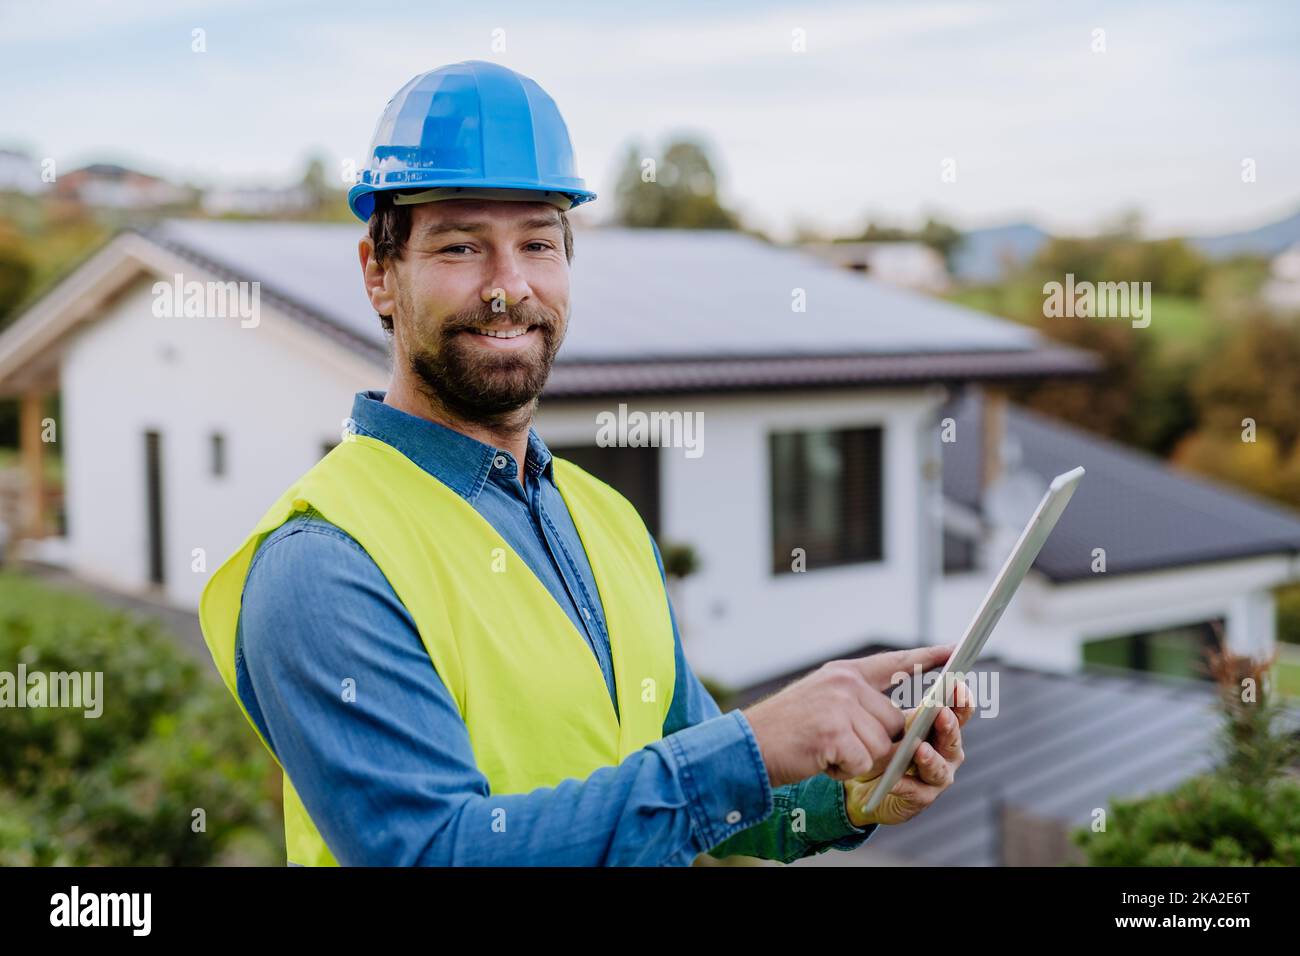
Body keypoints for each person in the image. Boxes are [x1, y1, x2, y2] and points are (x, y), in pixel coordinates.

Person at [199, 60, 970, 867]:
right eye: (461, 246)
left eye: (537, 243)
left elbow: (721, 801)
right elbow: (434, 854)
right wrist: (749, 747)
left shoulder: (604, 519)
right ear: (379, 276)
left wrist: (849, 791)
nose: (509, 288)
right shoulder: (322, 565)